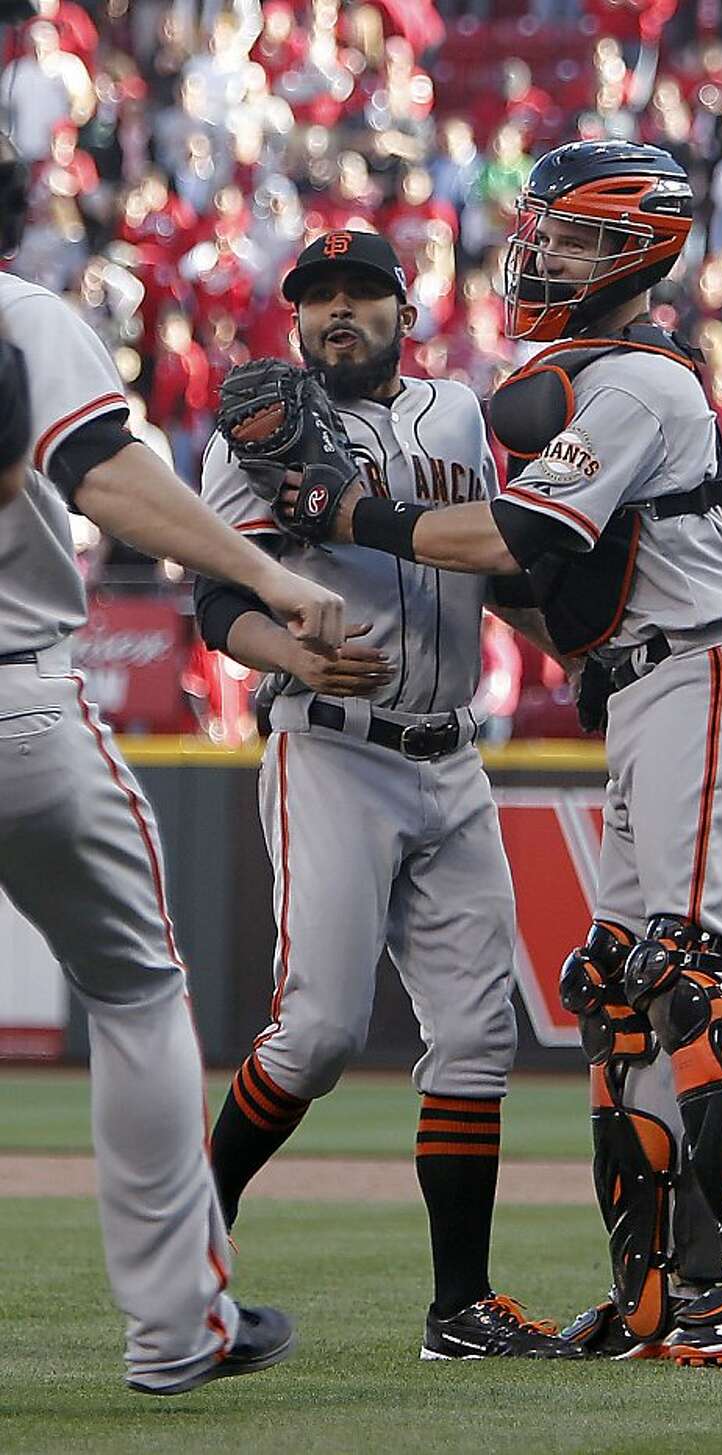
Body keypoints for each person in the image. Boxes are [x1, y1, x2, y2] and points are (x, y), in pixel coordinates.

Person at [282, 141, 722, 1367]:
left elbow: (518, 529)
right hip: (655, 683)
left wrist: (345, 510)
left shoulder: (644, 381)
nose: (543, 254)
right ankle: (669, 1289)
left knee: (697, 972)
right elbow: (542, 576)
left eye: (575, 236)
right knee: (622, 992)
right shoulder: (601, 377)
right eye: (546, 233)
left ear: (637, 247)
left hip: (709, 665)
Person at [0, 136, 348, 1395]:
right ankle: (177, 1331)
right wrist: (264, 570)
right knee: (139, 990)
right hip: (17, 708)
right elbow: (102, 472)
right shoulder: (22, 314)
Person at [194, 228, 577, 1362]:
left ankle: (461, 1308)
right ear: (297, 318)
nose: (338, 314)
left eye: (362, 294)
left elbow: (495, 566)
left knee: (475, 1038)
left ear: (406, 313)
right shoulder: (258, 436)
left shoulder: (459, 414)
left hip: (452, 755)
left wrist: (575, 653)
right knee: (314, 1036)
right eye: (319, 299)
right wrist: (294, 656)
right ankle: (184, 1245)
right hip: (334, 748)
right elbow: (218, 608)